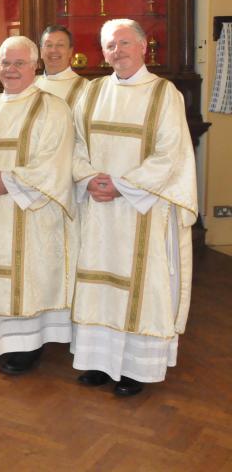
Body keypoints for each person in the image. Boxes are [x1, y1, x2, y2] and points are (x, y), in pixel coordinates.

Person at [70, 19, 196, 397]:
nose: (117, 51)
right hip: (98, 207)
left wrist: (124, 187)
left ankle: (135, 368)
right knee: (98, 282)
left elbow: (169, 153)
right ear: (103, 51)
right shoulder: (90, 93)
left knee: (141, 285)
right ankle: (98, 360)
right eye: (110, 45)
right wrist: (88, 178)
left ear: (143, 47)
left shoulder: (164, 94)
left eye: (125, 43)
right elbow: (75, 146)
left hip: (141, 208)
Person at [0, 36, 75, 375]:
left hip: (28, 212)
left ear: (35, 66)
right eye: (5, 63)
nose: (10, 70)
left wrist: (7, 181)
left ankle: (27, 345)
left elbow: (54, 163)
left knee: (25, 276)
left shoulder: (52, 107)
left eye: (19, 64)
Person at [34, 25, 89, 107]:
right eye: (49, 45)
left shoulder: (85, 87)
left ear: (70, 51)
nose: (53, 50)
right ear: (41, 52)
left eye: (60, 45)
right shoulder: (31, 84)